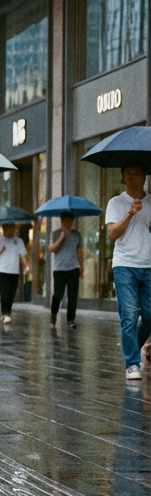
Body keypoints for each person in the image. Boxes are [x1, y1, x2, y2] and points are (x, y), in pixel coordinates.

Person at [105, 162, 151, 380]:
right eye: (127, 175)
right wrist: (130, 213)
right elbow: (112, 233)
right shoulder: (115, 202)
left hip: (148, 265)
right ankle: (132, 363)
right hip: (124, 265)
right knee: (129, 316)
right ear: (123, 178)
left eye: (136, 174)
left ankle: (134, 344)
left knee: (150, 316)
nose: (132, 178)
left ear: (144, 176)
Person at [0, 223, 29, 324]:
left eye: (11, 227)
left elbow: (22, 255)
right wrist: (1, 250)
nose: (9, 230)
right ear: (3, 228)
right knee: (4, 293)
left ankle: (6, 312)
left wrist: (27, 265)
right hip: (2, 270)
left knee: (11, 293)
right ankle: (6, 313)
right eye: (6, 228)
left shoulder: (18, 241)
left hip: (14, 270)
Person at [48, 214, 84, 329]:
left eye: (69, 222)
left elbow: (80, 251)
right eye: (65, 222)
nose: (67, 224)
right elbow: (52, 249)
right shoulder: (55, 233)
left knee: (72, 296)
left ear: (72, 221)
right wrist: (62, 236)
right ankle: (53, 314)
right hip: (59, 269)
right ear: (61, 221)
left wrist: (81, 266)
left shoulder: (77, 235)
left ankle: (71, 320)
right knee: (58, 295)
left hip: (73, 268)